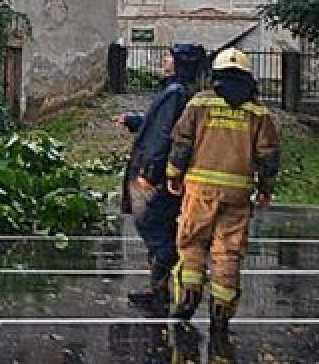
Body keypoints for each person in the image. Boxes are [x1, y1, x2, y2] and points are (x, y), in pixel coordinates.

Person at [165, 48, 280, 337]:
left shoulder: (200, 103)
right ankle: (221, 310)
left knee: (191, 243)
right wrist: (266, 189)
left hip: (199, 190)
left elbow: (181, 144)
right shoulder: (258, 112)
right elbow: (268, 156)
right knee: (228, 251)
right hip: (238, 194)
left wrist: (173, 176)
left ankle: (188, 297)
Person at [117, 43, 207, 313]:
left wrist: (150, 173)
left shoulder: (175, 92)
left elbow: (164, 134)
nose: (164, 60)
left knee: (150, 224)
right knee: (158, 224)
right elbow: (160, 123)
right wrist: (135, 120)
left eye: (169, 57)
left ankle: (165, 272)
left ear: (179, 63)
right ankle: (158, 288)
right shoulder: (177, 91)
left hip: (153, 173)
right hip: (162, 172)